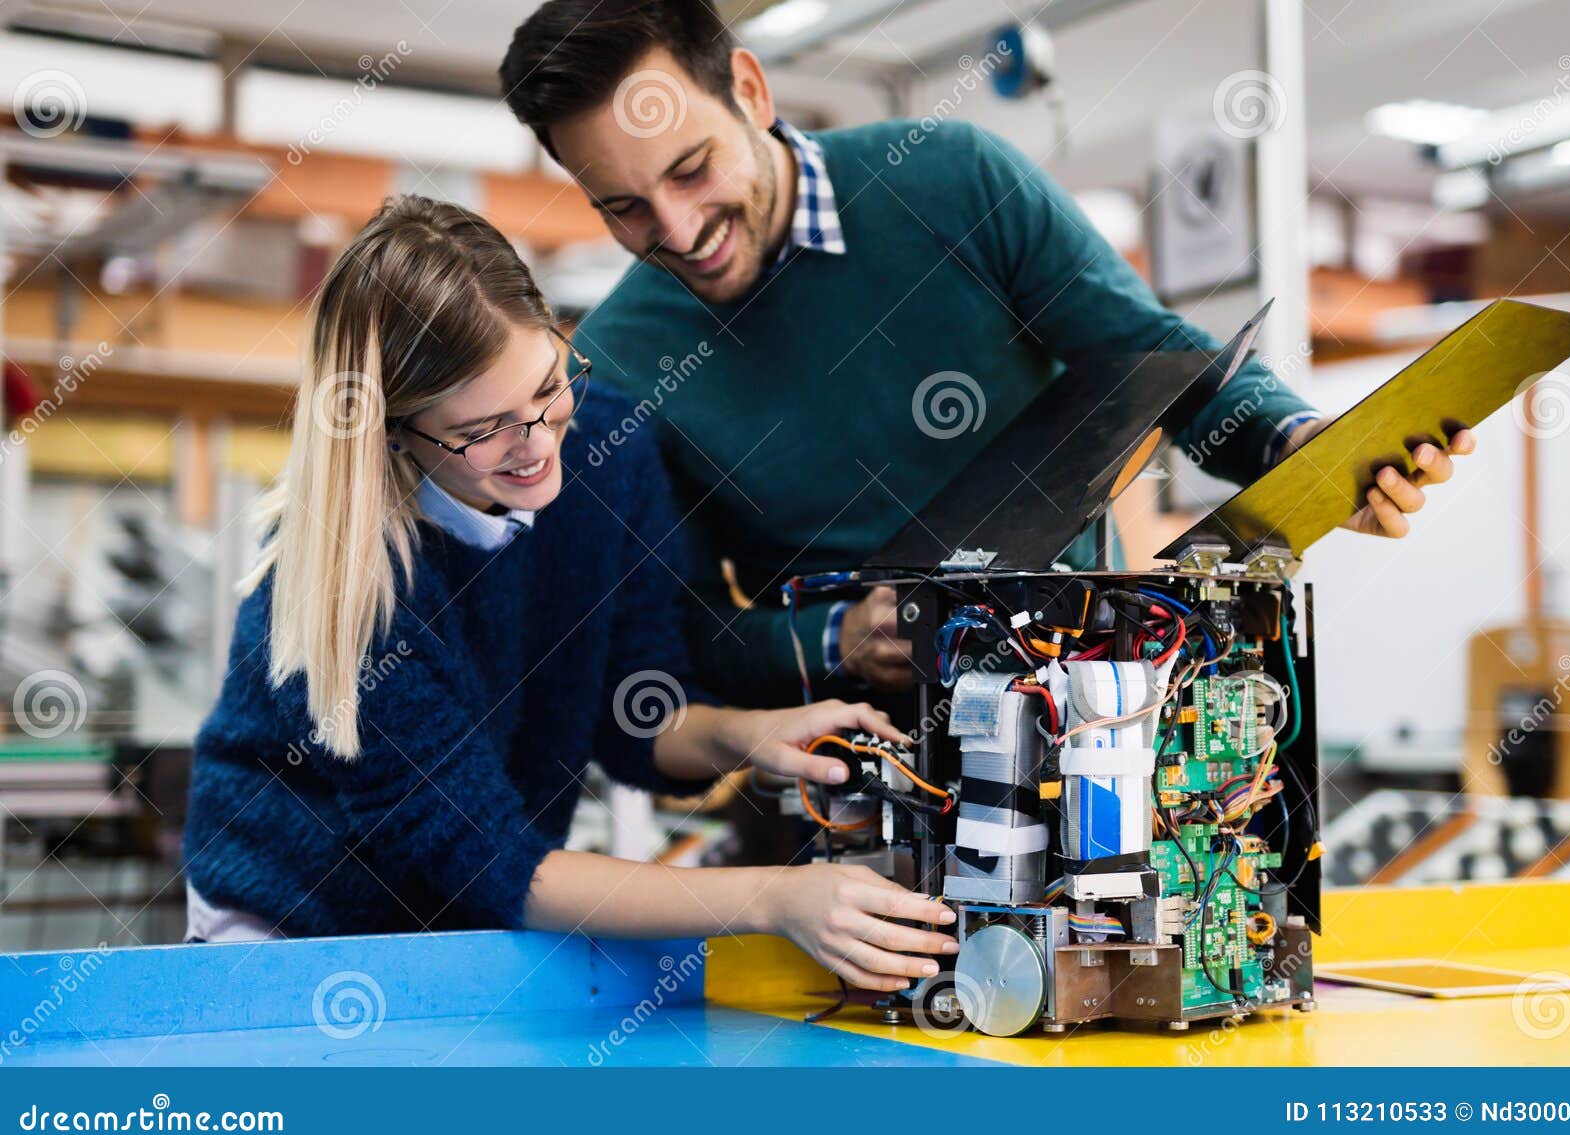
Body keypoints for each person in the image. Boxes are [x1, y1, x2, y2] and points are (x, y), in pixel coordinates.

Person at [499, 0, 1474, 706]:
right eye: (620, 206)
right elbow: (692, 631)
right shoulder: (621, 362)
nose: (674, 228)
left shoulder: (950, 179)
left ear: (748, 91)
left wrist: (1301, 443)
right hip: (863, 790)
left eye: (690, 168)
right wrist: (839, 637)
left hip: (1102, 715)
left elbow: (1156, 358)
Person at [181, 195, 959, 994]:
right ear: (394, 430)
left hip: (472, 923)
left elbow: (637, 710)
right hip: (292, 930)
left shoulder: (609, 453)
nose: (540, 443)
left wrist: (750, 734)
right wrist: (774, 897)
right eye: (485, 429)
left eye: (551, 386)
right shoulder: (347, 585)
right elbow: (497, 867)